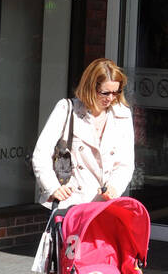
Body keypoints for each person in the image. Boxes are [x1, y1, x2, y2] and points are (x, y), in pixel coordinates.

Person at [32, 58, 134, 207]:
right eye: (105, 93)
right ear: (90, 87)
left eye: (116, 92)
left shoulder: (122, 114)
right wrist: (52, 187)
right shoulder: (67, 109)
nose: (110, 98)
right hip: (70, 204)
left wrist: (114, 188)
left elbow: (126, 163)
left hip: (103, 206)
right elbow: (41, 153)